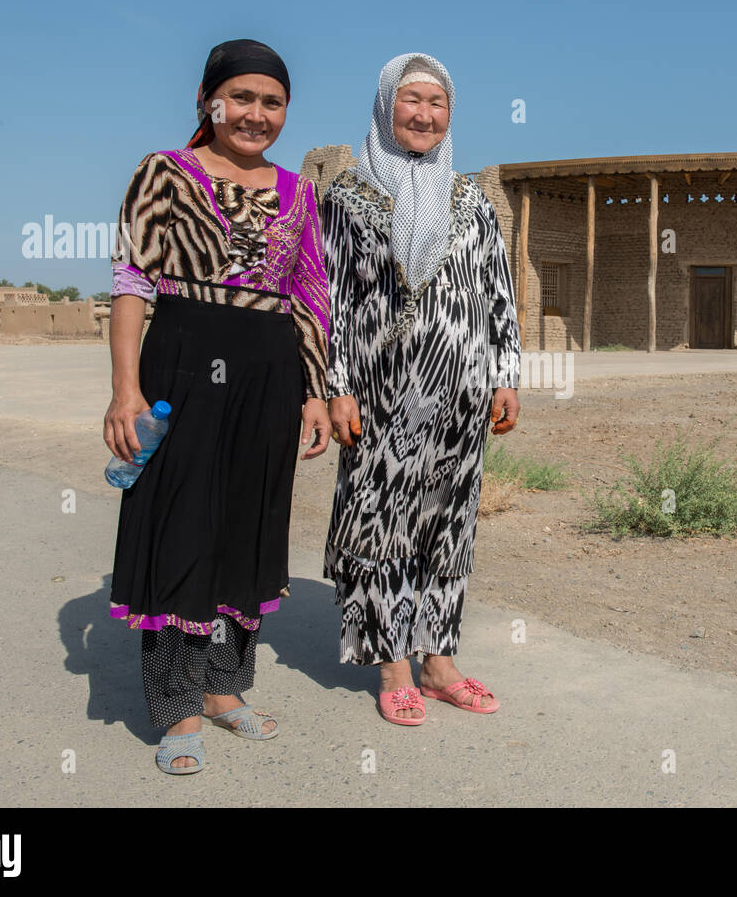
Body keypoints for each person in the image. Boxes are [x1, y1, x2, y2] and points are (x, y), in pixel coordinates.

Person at [104, 39, 330, 773]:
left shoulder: (299, 192)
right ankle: (175, 706)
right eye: (241, 97)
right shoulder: (164, 172)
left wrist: (317, 391)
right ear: (210, 99)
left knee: (249, 525)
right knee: (182, 525)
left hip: (269, 372)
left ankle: (228, 687)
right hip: (184, 359)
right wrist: (125, 387)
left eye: (271, 102)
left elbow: (310, 298)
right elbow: (133, 278)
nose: (255, 114)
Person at [322, 52, 521, 725]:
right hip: (382, 395)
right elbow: (333, 301)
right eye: (412, 100)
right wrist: (336, 385)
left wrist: (506, 372)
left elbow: (498, 291)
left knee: (448, 524)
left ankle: (439, 662)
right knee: (381, 523)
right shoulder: (348, 198)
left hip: (462, 393)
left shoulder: (471, 201)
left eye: (437, 103)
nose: (425, 114)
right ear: (386, 106)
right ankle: (393, 665)